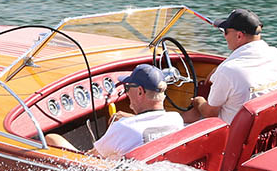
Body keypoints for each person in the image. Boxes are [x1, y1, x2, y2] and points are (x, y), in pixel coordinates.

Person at [45, 64, 183, 159]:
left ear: (140, 91)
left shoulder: (124, 128)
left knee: (52, 138)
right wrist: (127, 118)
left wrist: (123, 123)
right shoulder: (176, 120)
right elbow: (150, 125)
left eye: (128, 88)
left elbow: (91, 157)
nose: (126, 93)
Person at [185, 8, 277, 123]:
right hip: (261, 127)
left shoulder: (229, 71)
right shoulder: (274, 54)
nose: (224, 36)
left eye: (225, 31)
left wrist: (198, 102)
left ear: (239, 36)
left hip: (229, 135)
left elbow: (210, 113)